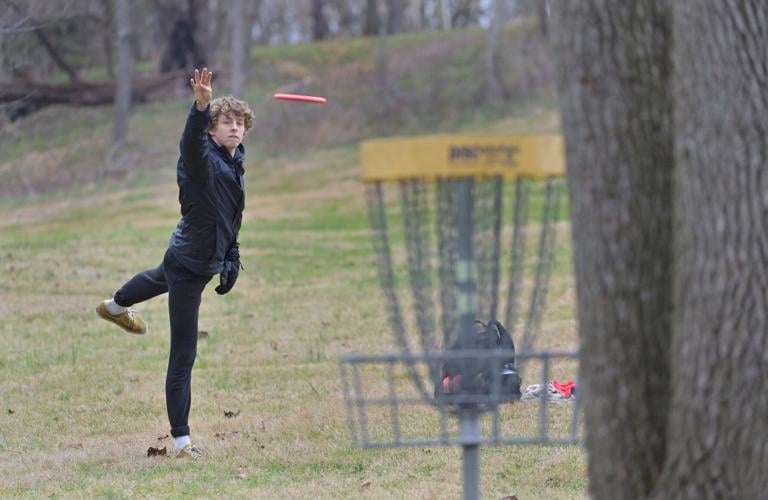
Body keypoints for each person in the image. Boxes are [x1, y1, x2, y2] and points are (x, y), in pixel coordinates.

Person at [96, 67, 254, 460]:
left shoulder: (234, 160)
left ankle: (113, 307)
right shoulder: (202, 160)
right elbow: (190, 145)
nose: (234, 128)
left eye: (239, 122)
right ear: (212, 130)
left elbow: (228, 216)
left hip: (192, 255)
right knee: (184, 354)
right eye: (226, 122)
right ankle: (182, 442)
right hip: (188, 264)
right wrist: (200, 109)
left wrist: (231, 256)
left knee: (155, 277)